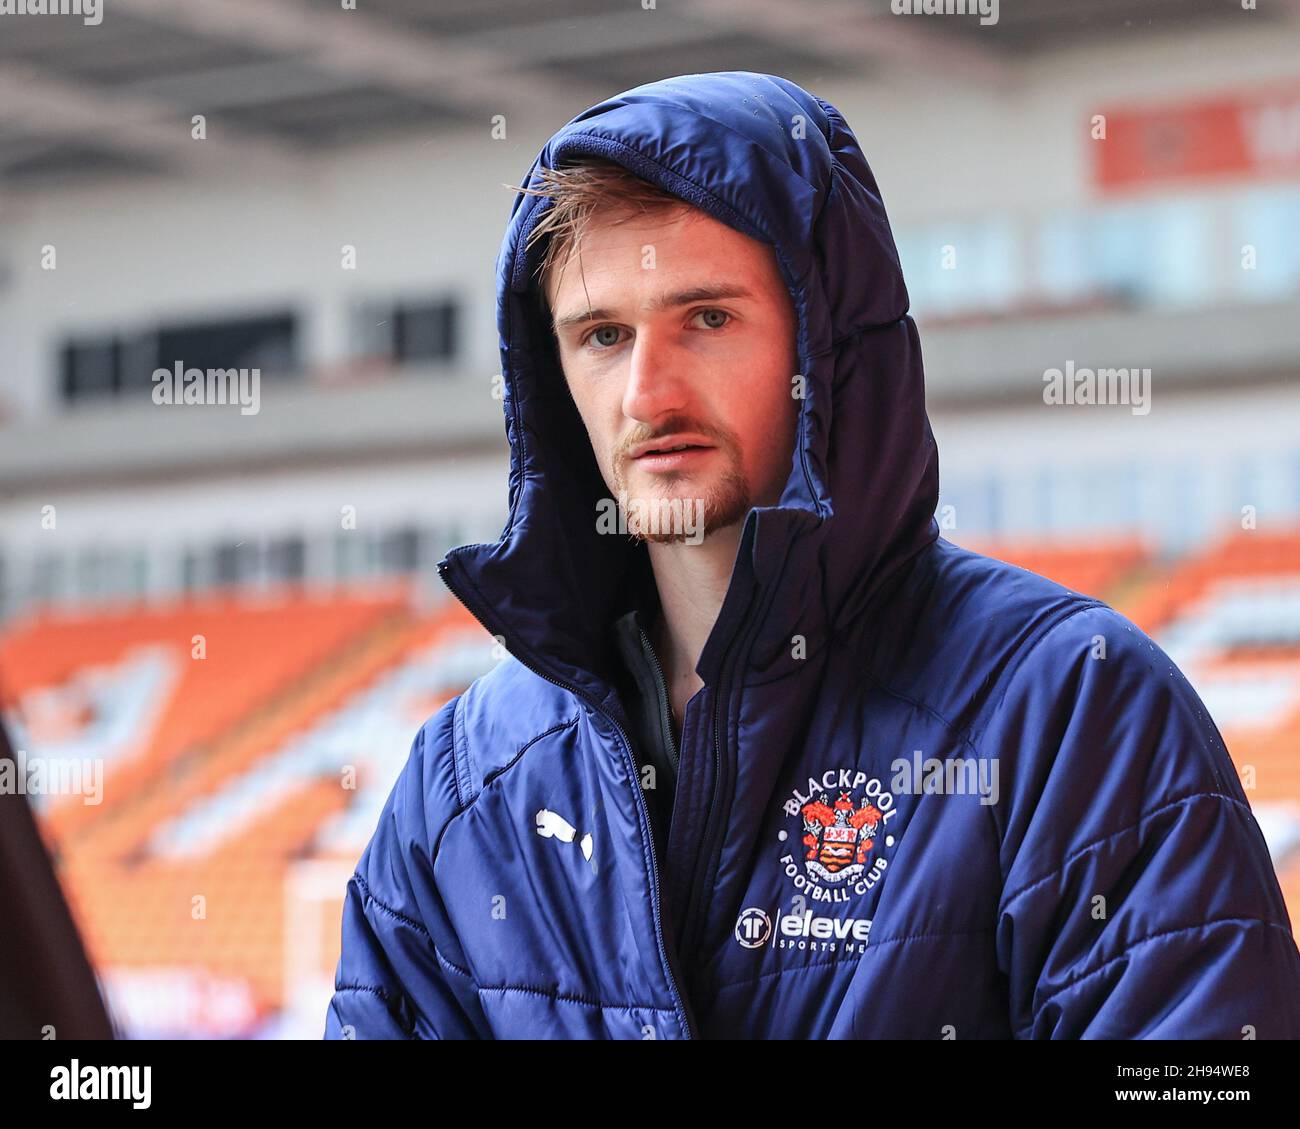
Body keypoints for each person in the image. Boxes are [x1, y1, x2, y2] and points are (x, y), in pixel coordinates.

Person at [324, 70, 1300, 1039]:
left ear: (823, 346)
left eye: (706, 319)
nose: (645, 393)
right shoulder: (465, 787)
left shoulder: (1070, 710)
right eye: (603, 335)